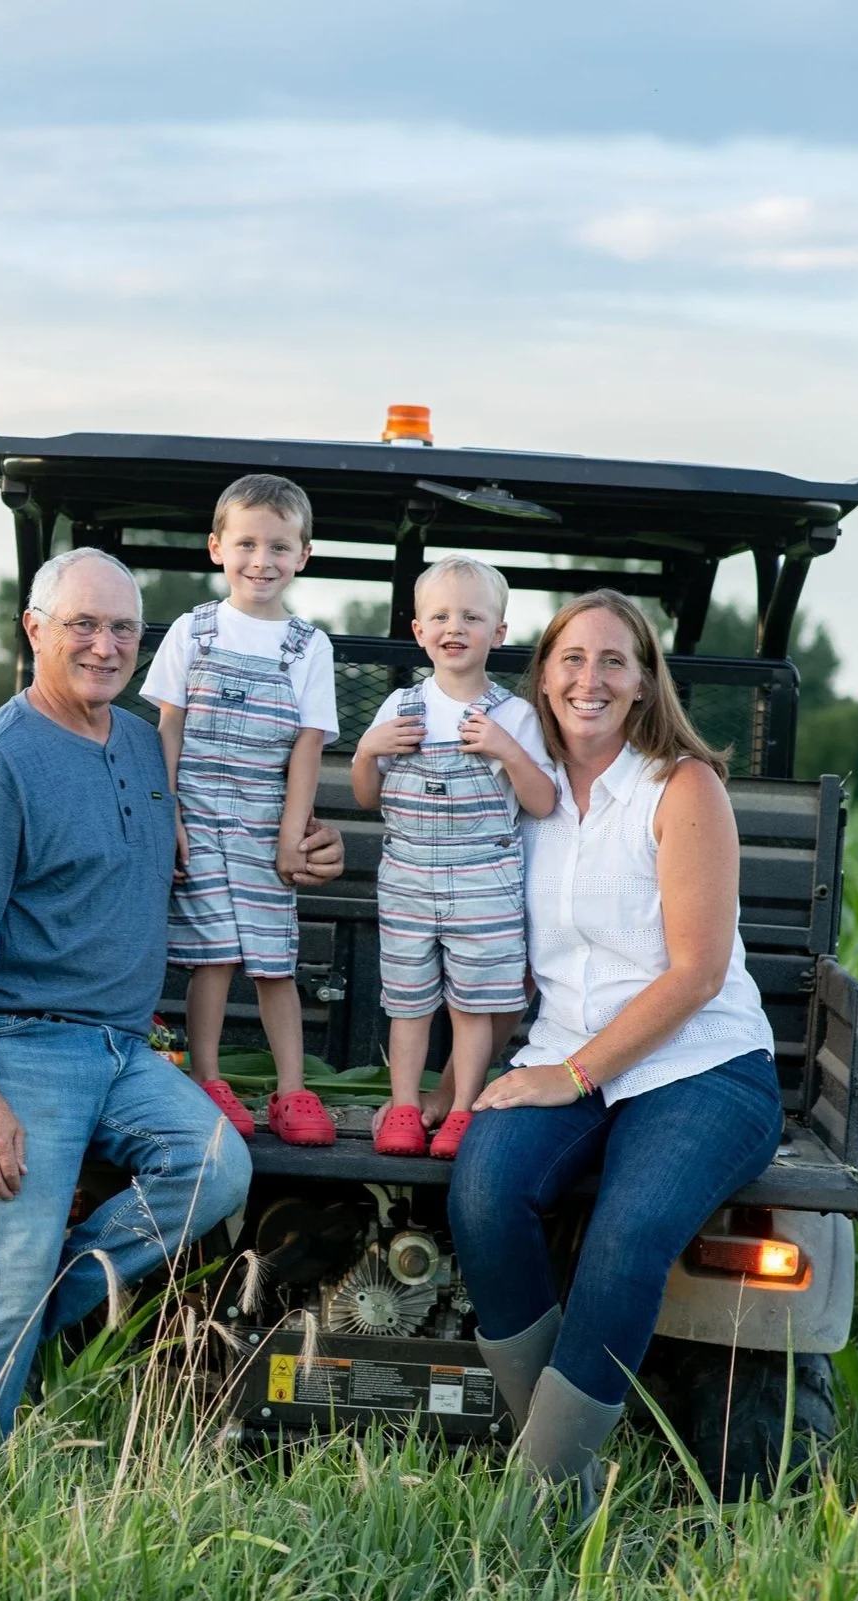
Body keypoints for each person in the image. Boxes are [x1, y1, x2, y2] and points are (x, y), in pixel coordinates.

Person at [0, 546, 347, 1462]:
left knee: (214, 1169)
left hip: (119, 1050)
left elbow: (233, 821)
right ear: (34, 630)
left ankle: (2, 1316)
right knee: (4, 1281)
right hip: (16, 1046)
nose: (104, 646)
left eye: (122, 628)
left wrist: (309, 845)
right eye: (82, 624)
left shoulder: (144, 746)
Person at [449, 589, 783, 1517]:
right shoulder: (528, 791)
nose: (588, 678)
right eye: (570, 658)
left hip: (701, 1067)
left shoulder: (680, 787)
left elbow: (696, 971)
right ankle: (567, 1470)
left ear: (642, 682)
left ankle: (531, 1508)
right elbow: (434, 861)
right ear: (543, 676)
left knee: (625, 1236)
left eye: (611, 660)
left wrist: (573, 1074)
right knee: (482, 1194)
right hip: (566, 1051)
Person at [143, 474, 342, 1146]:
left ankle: (292, 1089)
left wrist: (290, 835)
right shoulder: (193, 630)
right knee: (213, 958)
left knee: (273, 959)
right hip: (197, 818)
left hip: (263, 819)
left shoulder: (307, 645)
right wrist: (168, 814)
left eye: (279, 546)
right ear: (216, 548)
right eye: (247, 544)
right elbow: (169, 728)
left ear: (303, 555)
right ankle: (208, 1080)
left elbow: (307, 746)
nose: (262, 560)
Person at [350, 557, 555, 1160]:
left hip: (483, 886)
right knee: (409, 1005)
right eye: (439, 616)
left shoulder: (514, 716)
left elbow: (542, 801)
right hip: (408, 883)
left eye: (471, 616)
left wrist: (508, 750)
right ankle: (404, 1108)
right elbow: (367, 797)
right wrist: (364, 751)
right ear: (419, 631)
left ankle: (462, 1109)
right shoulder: (398, 707)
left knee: (472, 1007)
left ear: (499, 632)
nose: (454, 627)